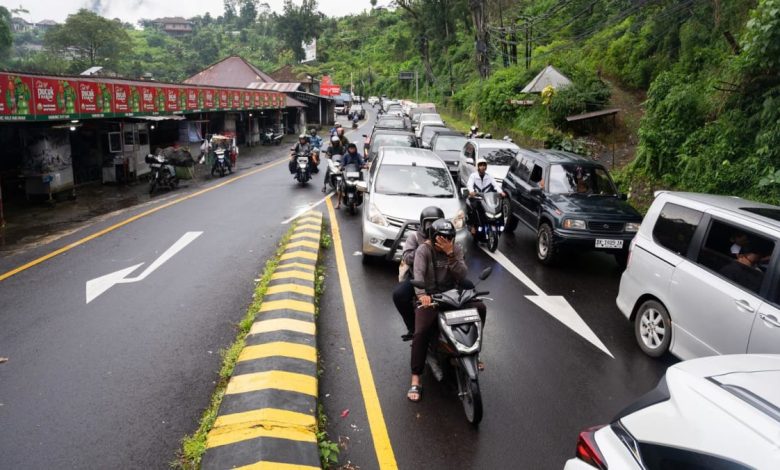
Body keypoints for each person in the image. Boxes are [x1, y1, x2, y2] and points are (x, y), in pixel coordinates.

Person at [407, 218, 486, 402]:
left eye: (449, 238)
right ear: (433, 237)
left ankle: (472, 351)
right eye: (442, 238)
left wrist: (450, 255)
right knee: (421, 332)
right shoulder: (423, 250)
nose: (446, 241)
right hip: (431, 299)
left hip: (453, 295)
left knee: (480, 308)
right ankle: (416, 378)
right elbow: (418, 276)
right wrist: (422, 296)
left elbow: (462, 274)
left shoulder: (455, 249)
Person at [392, 206, 445, 340]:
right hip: (418, 276)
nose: (432, 226)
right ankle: (413, 328)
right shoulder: (414, 237)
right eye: (429, 223)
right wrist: (424, 248)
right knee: (399, 295)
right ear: (422, 223)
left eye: (436, 222)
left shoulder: (445, 235)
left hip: (442, 275)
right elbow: (407, 258)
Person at [465, 158, 506, 235]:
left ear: (486, 167)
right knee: (473, 208)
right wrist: (471, 191)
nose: (482, 167)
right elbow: (469, 185)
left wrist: (501, 192)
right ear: (477, 167)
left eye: (484, 165)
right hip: (477, 198)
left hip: (487, 199)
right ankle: (473, 225)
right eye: (481, 165)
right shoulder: (473, 176)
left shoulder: (489, 176)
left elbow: (496, 185)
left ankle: (499, 224)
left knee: (497, 207)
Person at [336, 143, 364, 209]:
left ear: (355, 149)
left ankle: (364, 199)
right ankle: (338, 203)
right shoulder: (346, 156)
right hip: (347, 174)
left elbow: (362, 162)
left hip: (357, 174)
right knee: (340, 187)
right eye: (350, 148)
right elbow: (342, 163)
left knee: (364, 187)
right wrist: (340, 167)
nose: (352, 150)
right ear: (348, 149)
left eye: (353, 148)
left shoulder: (358, 155)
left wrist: (364, 165)